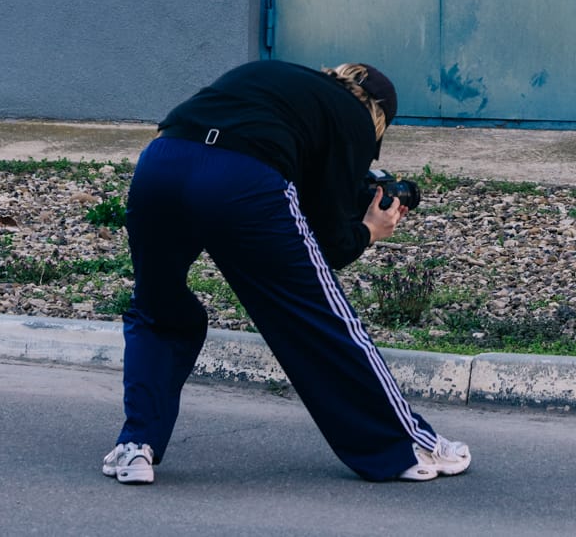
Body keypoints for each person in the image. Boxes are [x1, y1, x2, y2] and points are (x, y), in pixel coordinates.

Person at [100, 58, 470, 487]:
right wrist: (369, 230)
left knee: (157, 308)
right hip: (241, 180)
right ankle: (407, 446)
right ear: (378, 116)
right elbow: (328, 245)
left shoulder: (271, 76)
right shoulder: (353, 118)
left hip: (161, 164)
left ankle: (134, 447)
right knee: (317, 318)